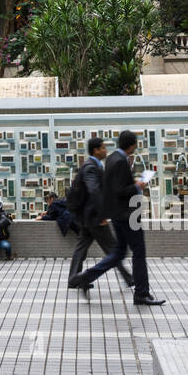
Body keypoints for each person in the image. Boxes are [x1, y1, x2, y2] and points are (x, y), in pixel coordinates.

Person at [68, 130, 165, 306]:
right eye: (135, 144)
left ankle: (85, 276)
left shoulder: (112, 158)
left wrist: (105, 213)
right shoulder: (120, 161)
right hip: (127, 215)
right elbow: (117, 190)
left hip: (117, 215)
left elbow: (108, 189)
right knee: (139, 252)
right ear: (132, 144)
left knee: (117, 252)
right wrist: (137, 186)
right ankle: (141, 293)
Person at [68, 138, 134, 294]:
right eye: (103, 148)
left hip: (87, 216)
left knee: (82, 247)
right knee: (113, 249)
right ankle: (128, 278)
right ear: (96, 150)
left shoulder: (93, 165)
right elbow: (94, 191)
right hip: (94, 216)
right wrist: (102, 213)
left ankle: (73, 279)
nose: (106, 150)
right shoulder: (91, 167)